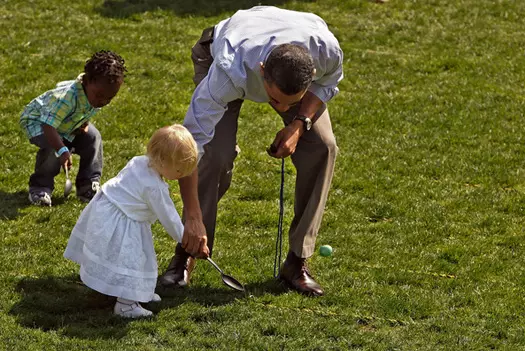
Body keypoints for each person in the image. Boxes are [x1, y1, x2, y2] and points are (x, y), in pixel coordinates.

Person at [160, 6, 343, 297]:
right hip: (219, 54)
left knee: (323, 147)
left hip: (284, 56)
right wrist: (193, 215)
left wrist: (298, 124)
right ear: (262, 73)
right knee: (215, 156)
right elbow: (191, 146)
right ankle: (187, 251)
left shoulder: (326, 51)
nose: (280, 108)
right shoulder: (228, 71)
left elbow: (327, 83)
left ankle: (297, 262)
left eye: (288, 102)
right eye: (274, 99)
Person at [64, 124, 209, 318]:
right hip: (123, 222)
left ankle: (138, 292)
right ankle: (125, 305)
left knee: (126, 258)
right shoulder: (154, 187)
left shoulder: (139, 162)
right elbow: (170, 218)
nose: (181, 176)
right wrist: (188, 241)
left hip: (107, 211)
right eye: (179, 171)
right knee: (131, 261)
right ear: (164, 162)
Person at [20, 50, 126, 206]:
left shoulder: (93, 93)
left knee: (93, 137)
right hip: (39, 123)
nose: (103, 101)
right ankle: (40, 187)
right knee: (53, 148)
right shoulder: (67, 98)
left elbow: (83, 111)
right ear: (88, 81)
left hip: (63, 124)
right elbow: (48, 125)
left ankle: (87, 185)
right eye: (99, 95)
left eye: (109, 98)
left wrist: (82, 123)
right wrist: (62, 150)